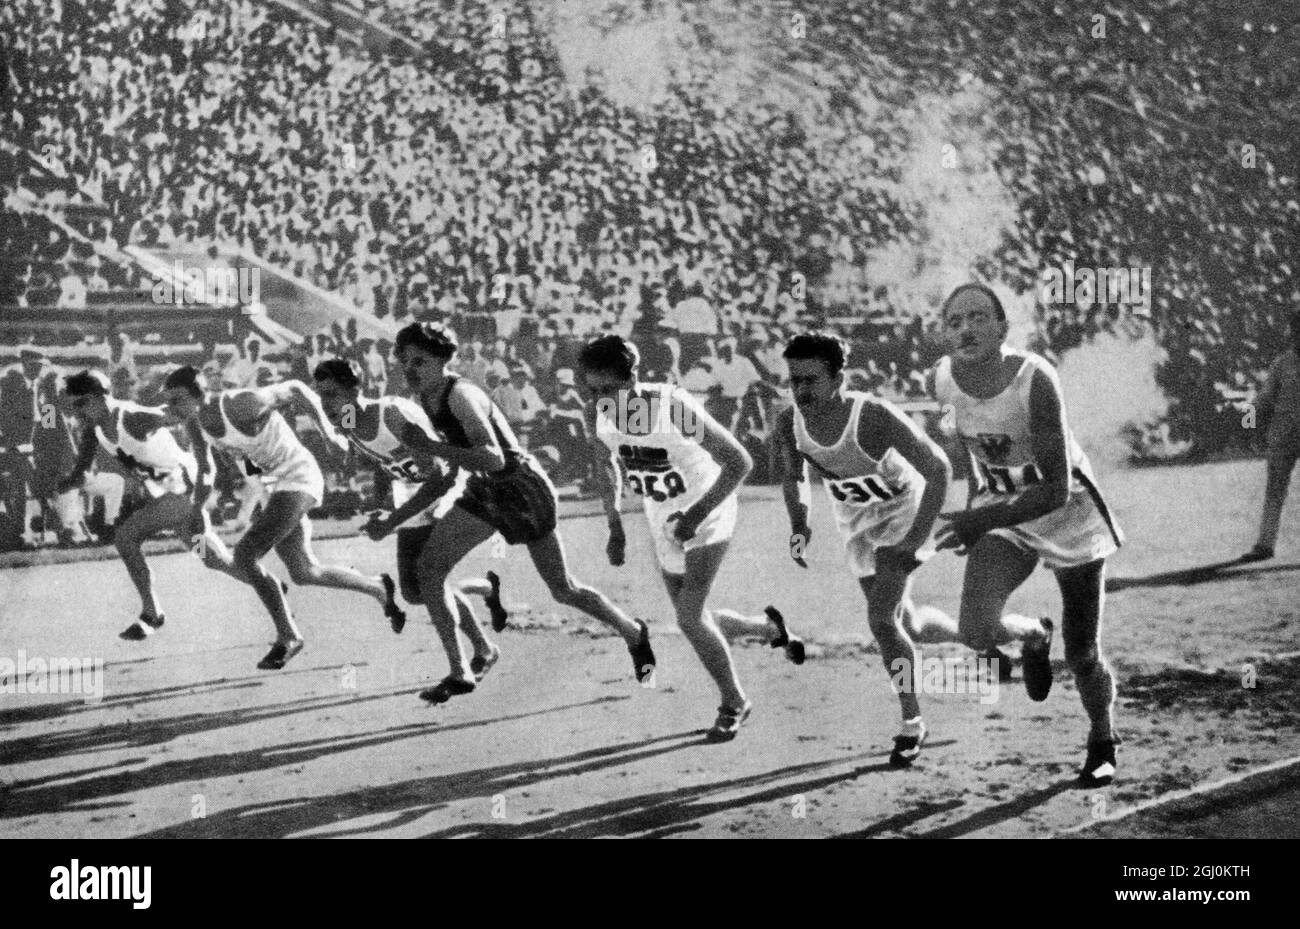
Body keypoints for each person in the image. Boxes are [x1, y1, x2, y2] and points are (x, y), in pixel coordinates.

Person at [363, 323, 656, 704]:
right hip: (484, 490)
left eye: (419, 361)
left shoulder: (460, 396)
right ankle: (461, 669)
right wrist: (397, 514)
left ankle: (633, 632)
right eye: (404, 363)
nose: (410, 370)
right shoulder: (425, 401)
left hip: (521, 488)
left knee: (563, 589)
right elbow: (448, 470)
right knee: (429, 569)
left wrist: (432, 446)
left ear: (441, 361)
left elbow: (494, 456)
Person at [929, 283, 1124, 787]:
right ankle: (1033, 637)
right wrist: (978, 508)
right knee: (975, 629)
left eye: (977, 318)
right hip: (1003, 509)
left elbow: (1055, 489)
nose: (965, 328)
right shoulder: (943, 379)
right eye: (954, 321)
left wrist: (979, 520)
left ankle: (1102, 739)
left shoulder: (1035, 378)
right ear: (943, 332)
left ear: (1002, 328)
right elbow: (973, 453)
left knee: (1082, 653)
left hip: (1066, 512)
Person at [581, 335, 803, 742]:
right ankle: (769, 629)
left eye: (609, 389)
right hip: (662, 513)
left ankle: (734, 701)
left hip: (709, 505)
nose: (601, 399)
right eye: (592, 390)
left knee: (688, 617)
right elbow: (605, 467)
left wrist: (697, 514)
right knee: (695, 616)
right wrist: (614, 525)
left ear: (632, 379)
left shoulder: (671, 407)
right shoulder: (596, 413)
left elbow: (739, 462)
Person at [774, 332, 956, 766]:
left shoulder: (871, 415)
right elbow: (794, 475)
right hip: (857, 522)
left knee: (880, 618)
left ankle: (912, 723)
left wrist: (913, 543)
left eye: (811, 381)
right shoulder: (789, 422)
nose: (800, 390)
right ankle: (1004, 635)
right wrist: (800, 522)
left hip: (902, 513)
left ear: (838, 379)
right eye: (794, 380)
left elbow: (939, 469)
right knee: (904, 622)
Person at [160, 366, 405, 670]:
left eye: (178, 400)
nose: (172, 409)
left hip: (299, 476)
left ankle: (288, 635)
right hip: (274, 487)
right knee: (304, 571)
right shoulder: (195, 425)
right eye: (168, 402)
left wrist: (329, 434)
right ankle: (378, 587)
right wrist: (197, 508)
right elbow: (206, 469)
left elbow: (296, 389)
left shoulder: (240, 403)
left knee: (246, 554)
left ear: (200, 394)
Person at [312, 358, 508, 679]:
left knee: (430, 585)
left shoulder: (391, 415)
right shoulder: (347, 422)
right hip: (415, 492)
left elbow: (440, 478)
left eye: (333, 394)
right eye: (320, 396)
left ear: (355, 389)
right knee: (414, 593)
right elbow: (381, 462)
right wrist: (380, 506)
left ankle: (476, 655)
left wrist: (390, 523)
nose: (326, 403)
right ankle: (486, 588)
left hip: (452, 488)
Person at [59, 369, 242, 639]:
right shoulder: (93, 430)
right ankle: (269, 586)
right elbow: (82, 471)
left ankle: (152, 613)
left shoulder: (133, 418)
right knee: (211, 557)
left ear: (101, 396)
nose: (77, 411)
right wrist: (65, 484)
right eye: (73, 405)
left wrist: (206, 463)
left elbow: (187, 414)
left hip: (185, 489)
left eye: (82, 403)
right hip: (167, 494)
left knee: (126, 537)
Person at [1241, 308, 1300, 562]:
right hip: (1283, 436)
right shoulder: (1283, 363)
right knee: (1274, 490)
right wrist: (1246, 422)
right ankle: (1265, 545)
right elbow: (1264, 399)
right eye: (1296, 331)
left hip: (1285, 434)